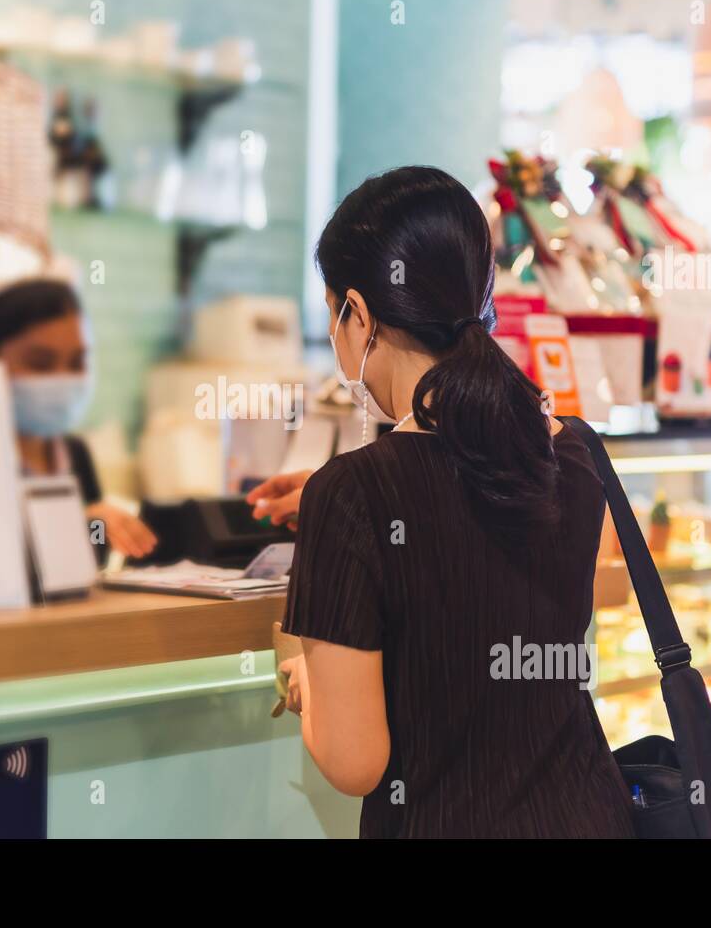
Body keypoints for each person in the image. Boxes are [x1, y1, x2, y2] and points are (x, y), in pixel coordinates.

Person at [254, 166, 635, 838]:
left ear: (359, 315)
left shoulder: (351, 494)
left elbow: (355, 761)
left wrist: (306, 674)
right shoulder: (575, 455)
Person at [0, 279, 157, 560]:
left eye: (77, 363)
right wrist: (71, 522)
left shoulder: (74, 452)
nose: (63, 378)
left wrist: (99, 526)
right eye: (40, 364)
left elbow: (90, 561)